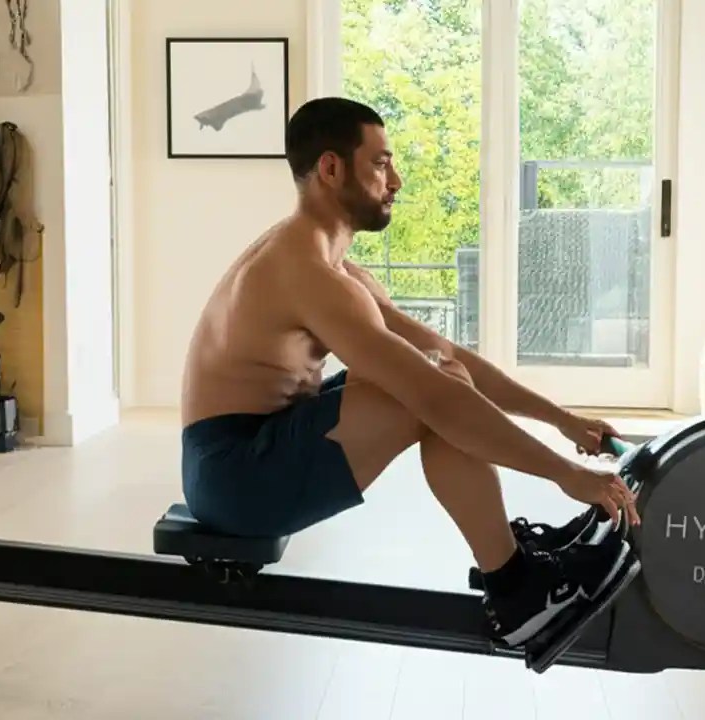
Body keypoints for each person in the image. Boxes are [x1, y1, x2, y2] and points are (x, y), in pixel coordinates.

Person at [180, 97, 641, 649]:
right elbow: (434, 398)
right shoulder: (305, 271)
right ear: (331, 168)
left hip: (250, 453)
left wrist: (562, 420)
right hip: (235, 478)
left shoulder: (333, 264)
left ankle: (513, 564)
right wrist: (565, 474)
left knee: (437, 372)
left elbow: (445, 354)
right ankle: (518, 588)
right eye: (380, 164)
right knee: (420, 395)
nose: (395, 180)